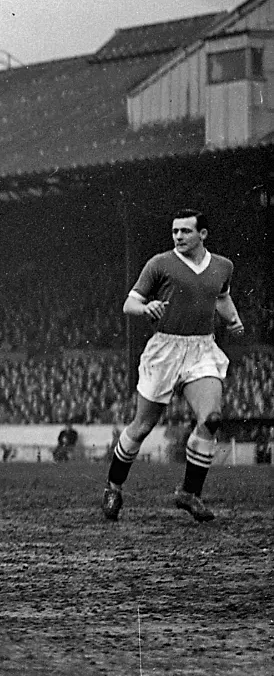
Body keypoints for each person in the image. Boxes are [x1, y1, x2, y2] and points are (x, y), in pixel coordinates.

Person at [101, 208, 247, 522]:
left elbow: (221, 297)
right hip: (165, 349)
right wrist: (146, 307)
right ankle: (113, 487)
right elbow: (130, 303)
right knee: (141, 427)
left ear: (202, 234)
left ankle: (189, 493)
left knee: (211, 419)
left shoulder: (223, 266)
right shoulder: (159, 264)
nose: (178, 236)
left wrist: (232, 319)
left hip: (202, 348)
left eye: (185, 231)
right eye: (175, 231)